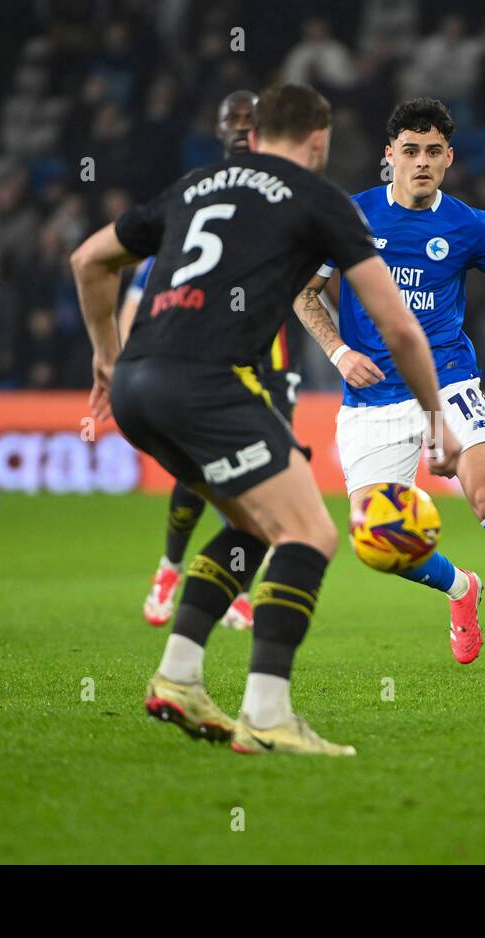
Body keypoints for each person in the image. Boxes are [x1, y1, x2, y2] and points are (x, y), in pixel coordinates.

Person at [70, 83, 460, 756]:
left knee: (252, 524)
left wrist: (106, 358)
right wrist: (436, 416)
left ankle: (180, 676)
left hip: (138, 385)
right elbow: (397, 325)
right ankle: (268, 714)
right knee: (309, 533)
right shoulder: (318, 200)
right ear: (318, 140)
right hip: (207, 384)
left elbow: (88, 260)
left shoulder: (197, 183)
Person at [294, 98, 485, 677]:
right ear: (389, 156)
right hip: (369, 396)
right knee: (376, 542)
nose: (421, 161)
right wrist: (339, 352)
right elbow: (302, 294)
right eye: (410, 151)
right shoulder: (351, 217)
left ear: (448, 158)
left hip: (448, 378)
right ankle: (460, 588)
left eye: (432, 152)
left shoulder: (470, 224)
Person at [116, 90, 299, 631]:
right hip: (208, 357)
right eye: (231, 118)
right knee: (199, 472)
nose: (242, 126)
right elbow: (143, 282)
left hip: (270, 363)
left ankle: (242, 591)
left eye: (251, 118)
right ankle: (172, 565)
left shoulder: (282, 194)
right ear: (217, 130)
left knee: (268, 478)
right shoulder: (197, 195)